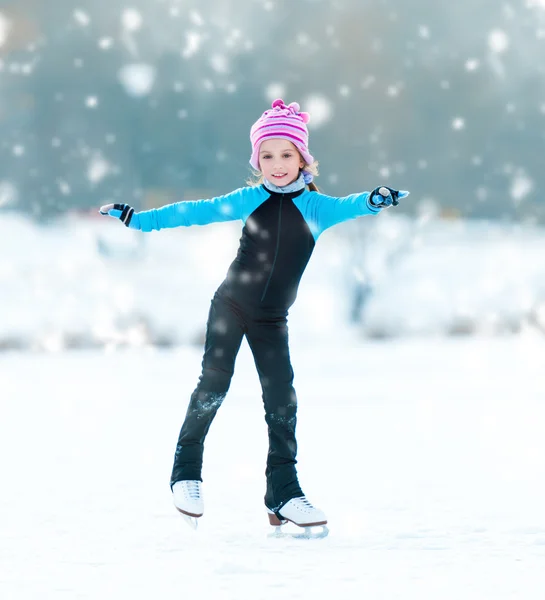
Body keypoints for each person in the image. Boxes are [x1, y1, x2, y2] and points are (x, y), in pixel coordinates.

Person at [99, 98, 409, 530]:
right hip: (231, 305)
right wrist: (139, 219)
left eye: (286, 155)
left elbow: (355, 203)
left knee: (282, 399)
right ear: (257, 160)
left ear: (303, 159)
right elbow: (193, 211)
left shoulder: (317, 209)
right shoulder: (249, 199)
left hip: (271, 320)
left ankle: (282, 491)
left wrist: (376, 199)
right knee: (214, 384)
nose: (277, 164)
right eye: (267, 155)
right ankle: (185, 473)